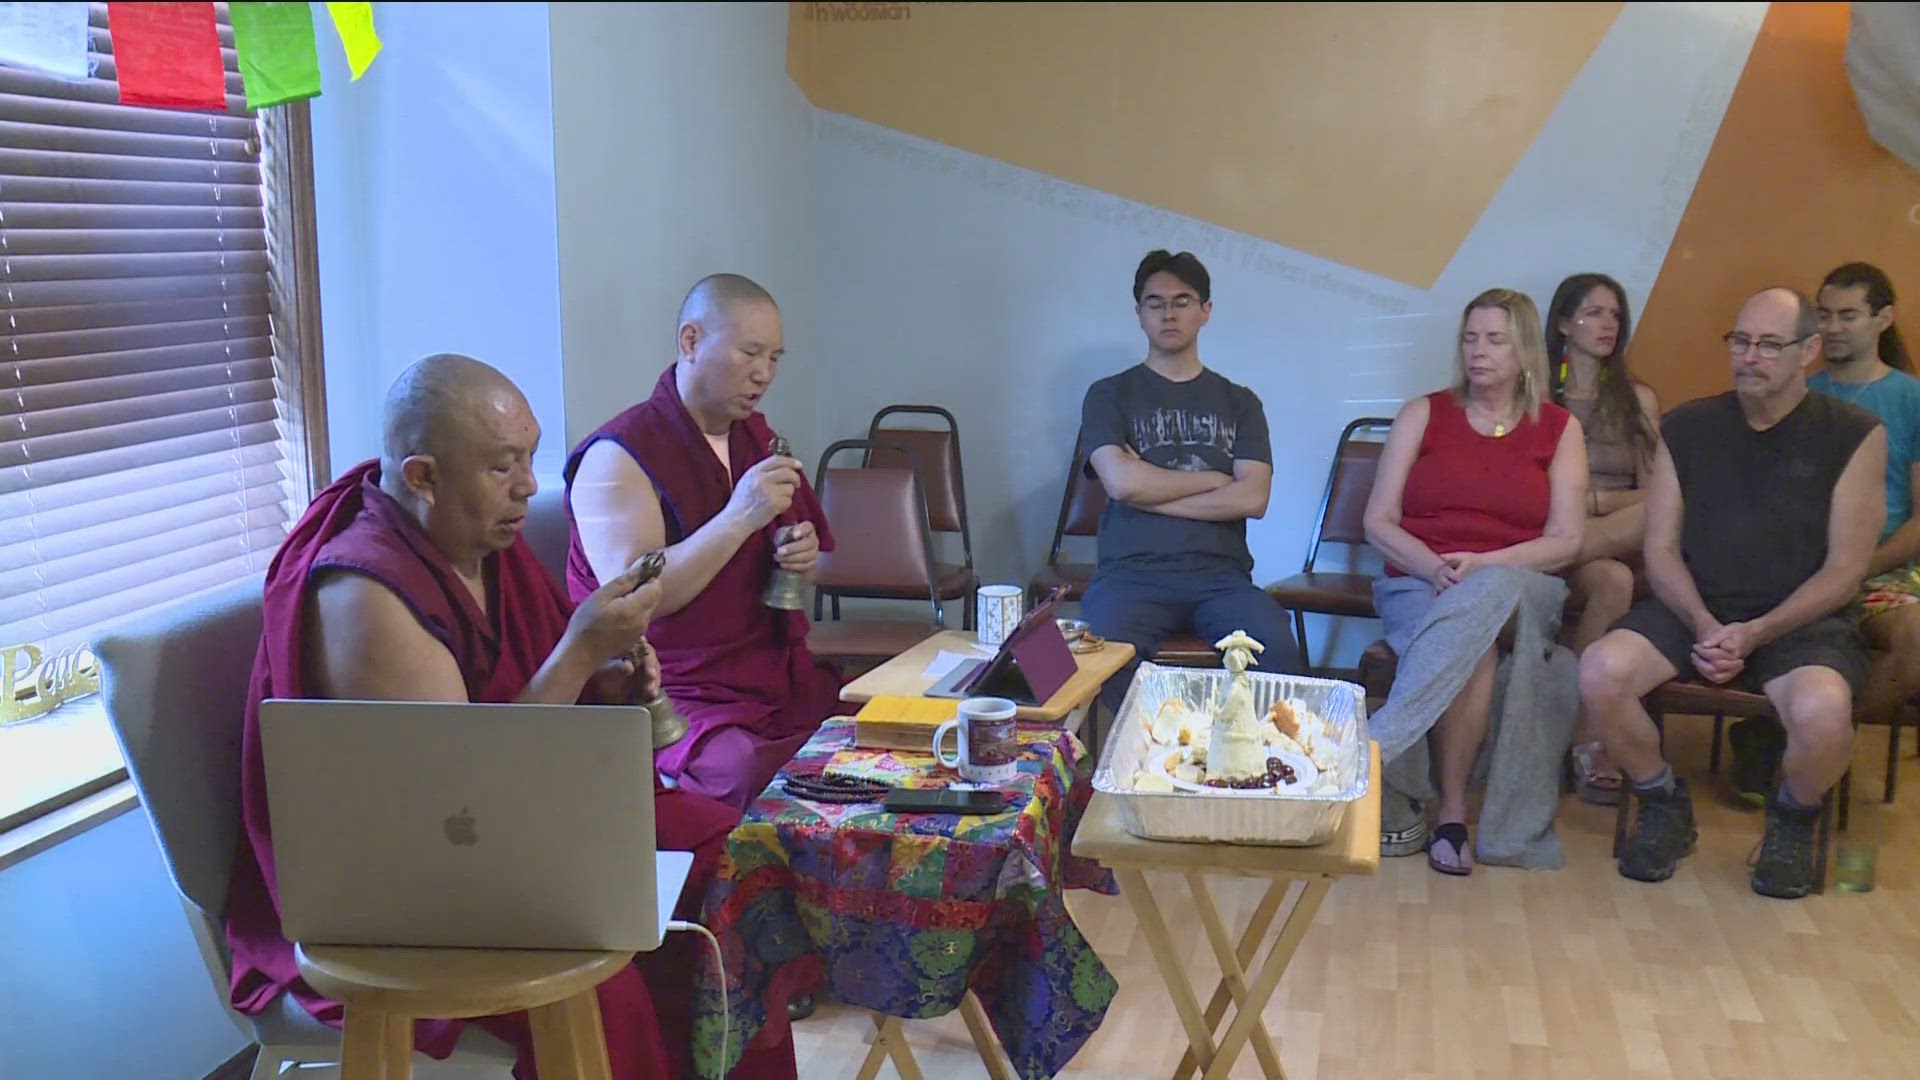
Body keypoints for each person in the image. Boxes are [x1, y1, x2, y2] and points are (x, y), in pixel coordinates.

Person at [225, 354, 800, 1077]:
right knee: (605, 989)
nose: (528, 483)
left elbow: (523, 714)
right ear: (422, 477)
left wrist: (606, 686)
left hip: (516, 828)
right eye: (503, 466)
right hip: (416, 880)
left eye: (528, 457)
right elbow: (463, 796)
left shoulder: (474, 537)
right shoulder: (367, 595)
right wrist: (580, 651)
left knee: (732, 859)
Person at [1579, 288, 1885, 899]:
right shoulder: (1688, 425)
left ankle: (1792, 818)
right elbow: (1661, 548)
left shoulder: (1854, 433)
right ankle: (1662, 802)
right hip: (1694, 610)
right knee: (1599, 672)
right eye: (1740, 342)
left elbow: (1846, 570)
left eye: (1769, 345)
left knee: (1824, 712)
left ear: (1808, 351)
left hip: (1800, 623)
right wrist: (1702, 623)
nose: (1750, 357)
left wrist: (1756, 632)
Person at [566, 274, 840, 812]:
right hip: (674, 688)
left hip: (770, 675)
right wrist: (739, 517)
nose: (763, 374)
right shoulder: (620, 454)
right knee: (743, 770)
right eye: (750, 353)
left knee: (863, 738)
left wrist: (801, 557)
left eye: (775, 358)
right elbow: (634, 597)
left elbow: (800, 572)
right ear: (691, 341)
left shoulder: (757, 439)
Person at [1362, 288, 1588, 874]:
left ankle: (1368, 751)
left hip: (1520, 585)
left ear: (1525, 350)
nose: (1478, 351)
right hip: (1422, 581)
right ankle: (1453, 815)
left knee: (1485, 595)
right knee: (1475, 646)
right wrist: (1434, 568)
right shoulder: (1423, 413)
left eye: (1494, 340)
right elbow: (1378, 520)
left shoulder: (1558, 429)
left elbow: (1567, 540)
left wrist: (1486, 565)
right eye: (1469, 338)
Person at [1722, 264, 1920, 801]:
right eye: (1824, 315)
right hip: (1796, 568)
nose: (1832, 327)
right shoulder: (1792, 390)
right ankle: (1794, 736)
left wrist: (1857, 567)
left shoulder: (1910, 399)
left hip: (1882, 570)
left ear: (1883, 319)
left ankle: (1806, 740)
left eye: (1847, 316)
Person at [1078, 250, 1302, 709]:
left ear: (1206, 310)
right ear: (1139, 313)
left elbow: (1253, 497)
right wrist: (1215, 479)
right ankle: (1162, 747)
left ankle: (1238, 753)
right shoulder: (1108, 394)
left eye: (1182, 301)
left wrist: (1149, 489)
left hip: (1221, 578)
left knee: (1278, 652)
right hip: (1130, 576)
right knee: (1105, 661)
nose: (1169, 313)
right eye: (1155, 302)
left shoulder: (1240, 402)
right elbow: (1121, 484)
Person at [1543, 273, 1663, 804]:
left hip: (1604, 537)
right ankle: (1586, 742)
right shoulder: (1536, 394)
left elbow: (1657, 492)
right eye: (1594, 313)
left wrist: (1592, 503)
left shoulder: (1637, 399)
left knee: (1626, 559)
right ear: (1564, 324)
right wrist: (1571, 508)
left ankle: (1586, 735)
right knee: (1612, 577)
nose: (1607, 324)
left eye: (1615, 315)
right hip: (1545, 524)